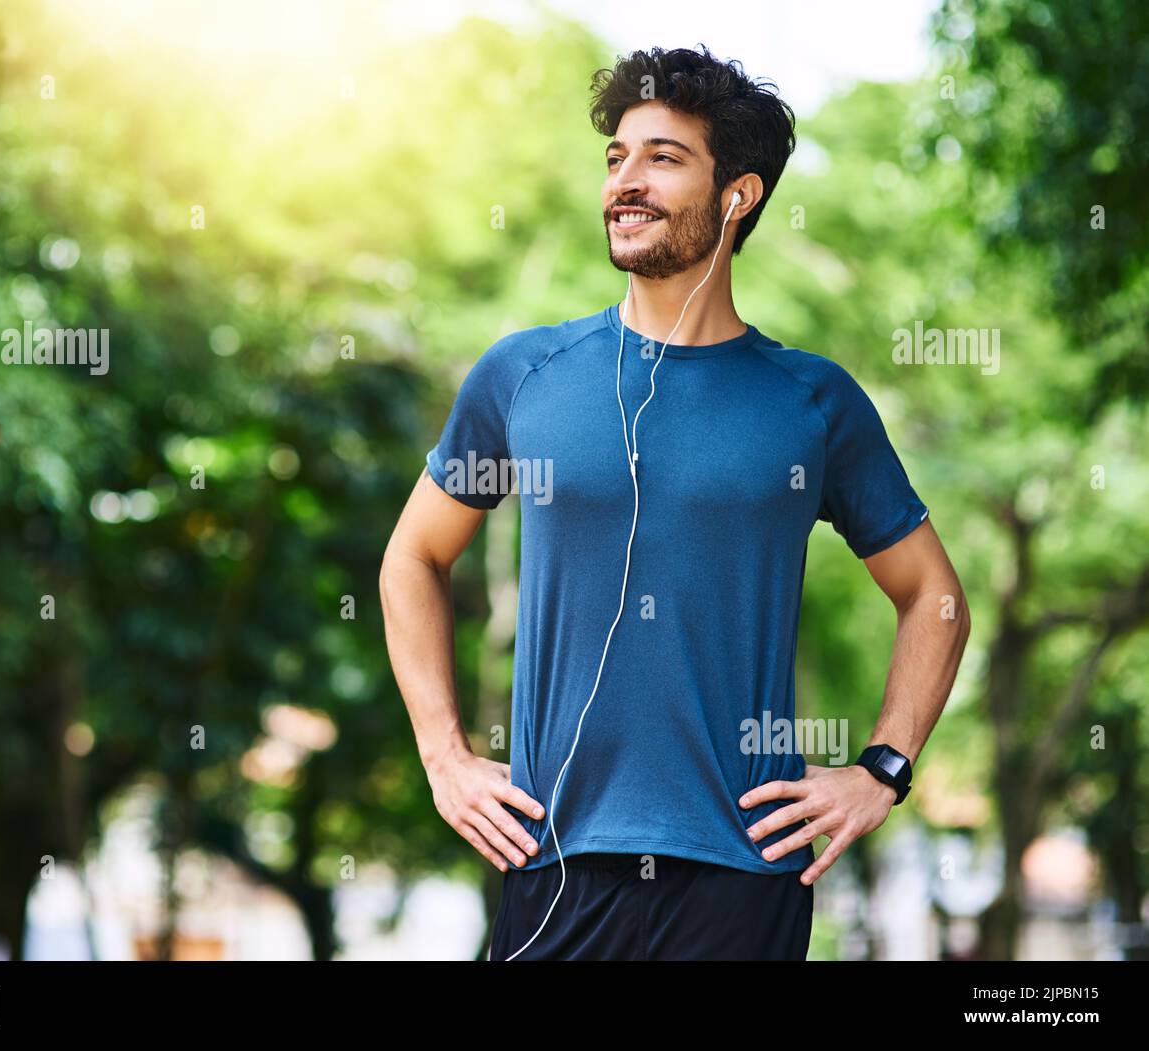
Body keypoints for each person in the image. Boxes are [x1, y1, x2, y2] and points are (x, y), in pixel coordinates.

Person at [379, 45, 970, 961]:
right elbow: (413, 556)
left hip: (746, 876)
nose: (626, 180)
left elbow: (934, 595)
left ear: (738, 196)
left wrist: (880, 769)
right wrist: (444, 758)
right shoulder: (523, 375)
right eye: (617, 157)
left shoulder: (811, 402)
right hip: (554, 862)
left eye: (663, 157)